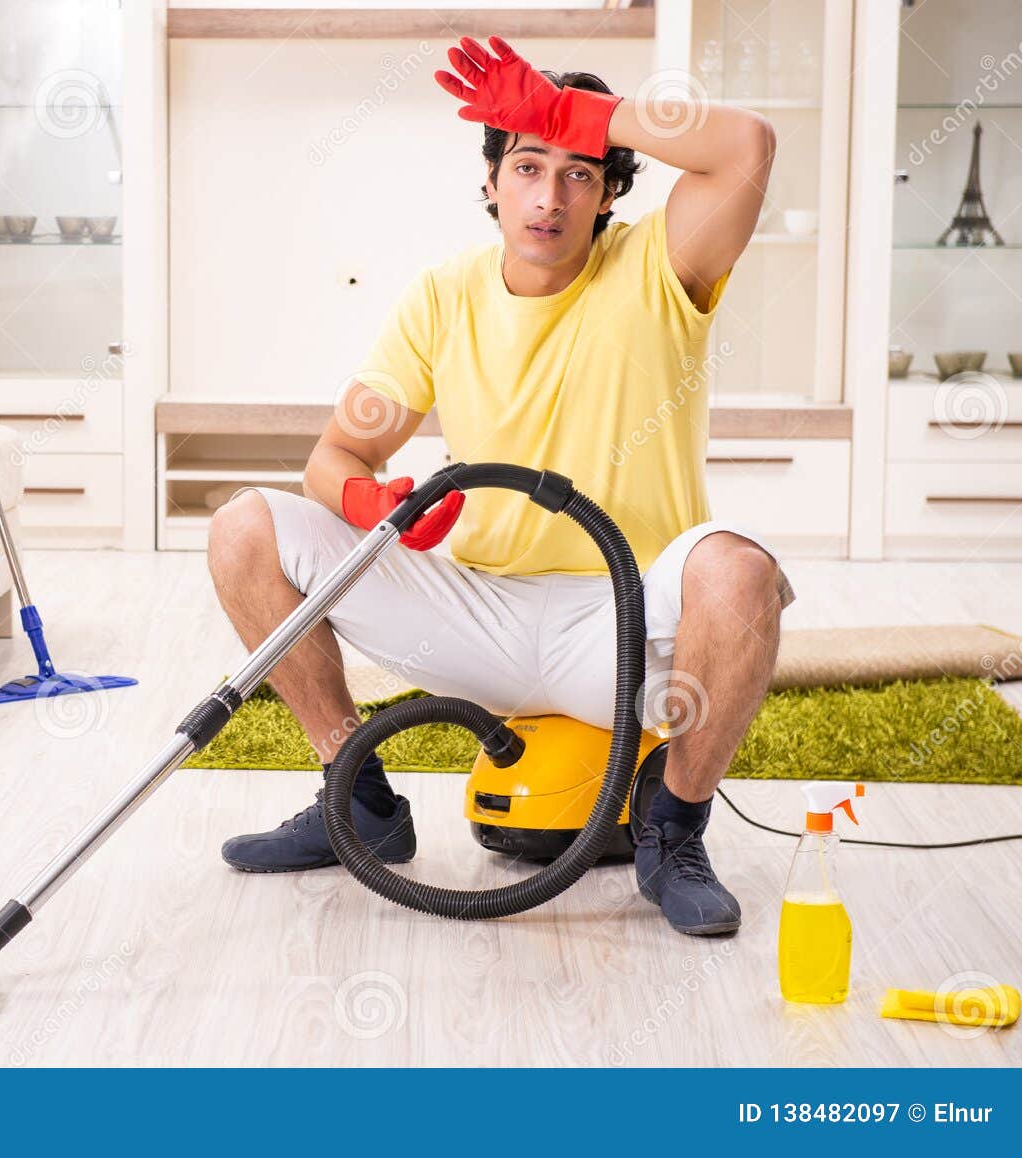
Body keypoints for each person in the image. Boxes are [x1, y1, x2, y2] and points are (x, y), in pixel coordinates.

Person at [206, 35, 796, 936]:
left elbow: (748, 145)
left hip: (627, 625)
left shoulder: (660, 267)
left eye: (578, 172)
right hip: (472, 616)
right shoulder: (443, 296)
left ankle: (672, 828)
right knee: (245, 526)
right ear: (491, 183)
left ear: (608, 193)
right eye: (527, 165)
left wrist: (568, 113)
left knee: (742, 569)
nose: (549, 196)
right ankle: (354, 798)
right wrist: (373, 504)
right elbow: (332, 459)